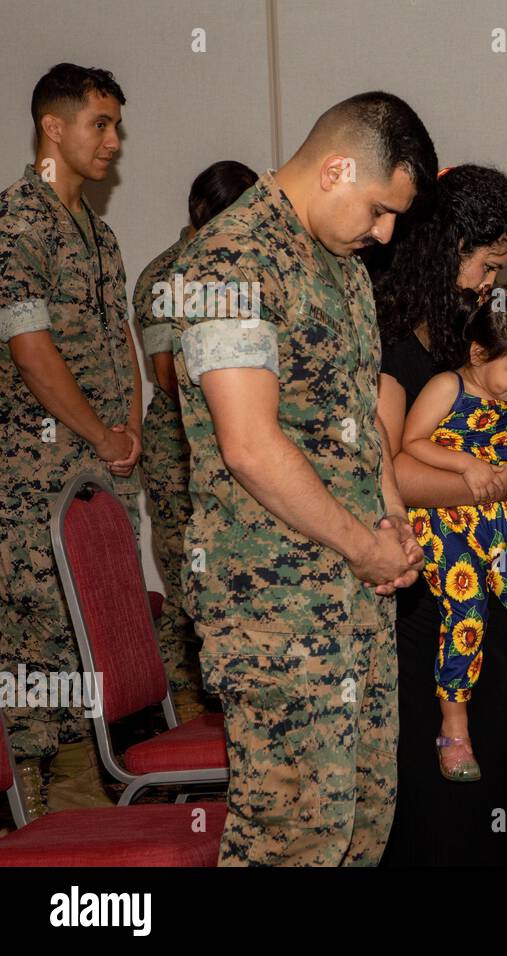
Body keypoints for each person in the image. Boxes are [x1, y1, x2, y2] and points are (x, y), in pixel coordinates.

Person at [171, 91, 435, 866]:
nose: (385, 233)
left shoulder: (343, 265)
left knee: (361, 826)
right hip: (274, 607)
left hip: (352, 595)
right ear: (338, 168)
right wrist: (364, 547)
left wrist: (393, 522)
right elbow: (250, 446)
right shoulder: (231, 260)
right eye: (381, 210)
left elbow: (358, 425)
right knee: (293, 839)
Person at [372, 164, 507, 866]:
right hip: (422, 571)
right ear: (447, 246)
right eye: (485, 265)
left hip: (478, 546)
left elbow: (485, 442)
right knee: (492, 676)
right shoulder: (396, 344)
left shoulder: (465, 334)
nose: (490, 284)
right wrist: (504, 483)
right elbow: (389, 472)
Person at [0, 63, 141, 818]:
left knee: (100, 633)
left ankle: (90, 795)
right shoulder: (18, 223)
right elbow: (30, 349)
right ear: (53, 128)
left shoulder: (98, 230)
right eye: (100, 124)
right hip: (38, 472)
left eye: (117, 126)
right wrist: (100, 432)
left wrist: (131, 432)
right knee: (39, 639)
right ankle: (29, 809)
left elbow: (119, 335)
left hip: (100, 466)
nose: (114, 141)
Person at [402, 285, 507, 782]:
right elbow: (411, 442)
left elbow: (501, 443)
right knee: (467, 616)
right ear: (478, 353)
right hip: (448, 524)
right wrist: (467, 465)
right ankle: (454, 731)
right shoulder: (448, 386)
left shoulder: (504, 395)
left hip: (498, 523)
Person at [132, 160, 257, 720]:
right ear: (206, 213)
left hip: (235, 437)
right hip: (179, 447)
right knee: (188, 569)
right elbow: (166, 373)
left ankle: (225, 700)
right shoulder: (168, 277)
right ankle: (180, 709)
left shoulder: (243, 266)